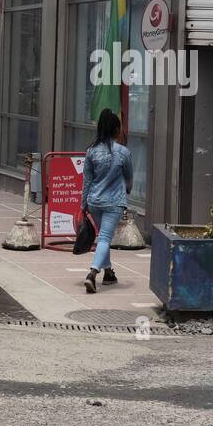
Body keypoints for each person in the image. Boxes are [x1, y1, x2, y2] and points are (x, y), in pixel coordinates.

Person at [80, 108, 133, 294]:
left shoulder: (91, 152)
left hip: (94, 200)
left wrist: (83, 205)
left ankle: (109, 272)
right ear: (116, 130)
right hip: (114, 202)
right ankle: (92, 274)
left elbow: (86, 180)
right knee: (104, 238)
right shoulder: (123, 152)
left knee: (104, 236)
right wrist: (128, 189)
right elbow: (129, 177)